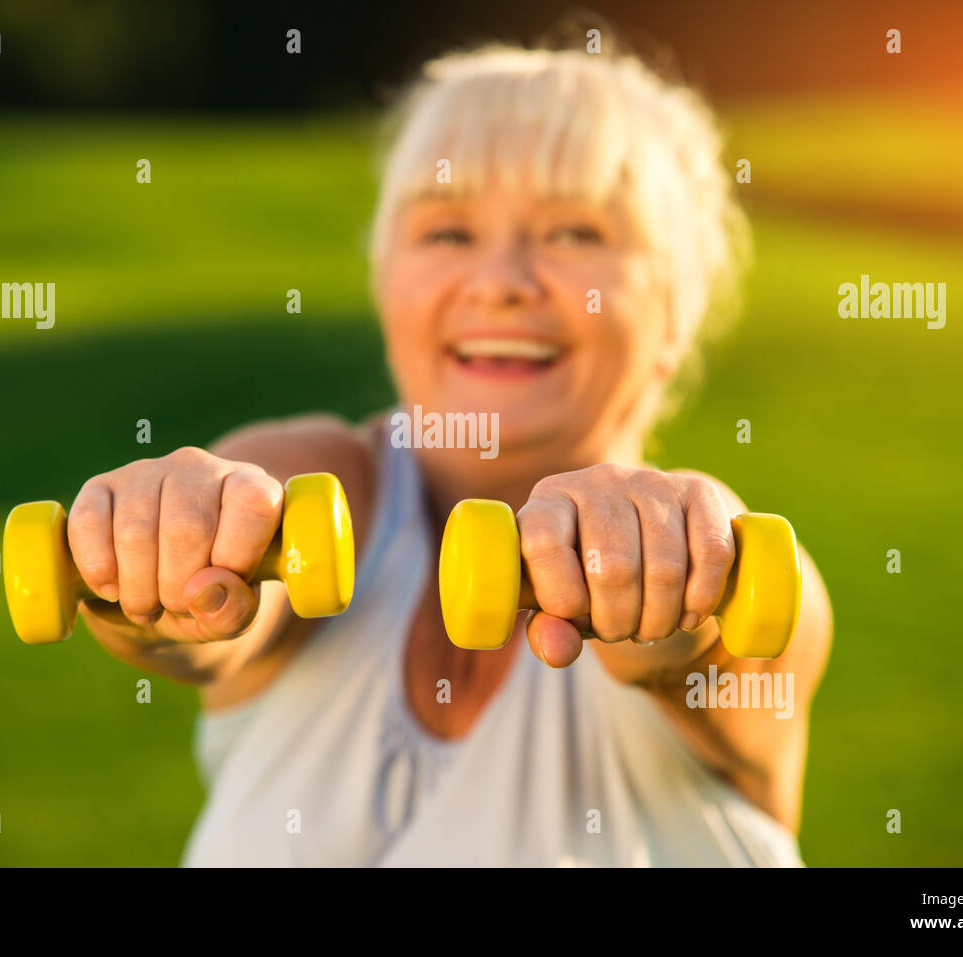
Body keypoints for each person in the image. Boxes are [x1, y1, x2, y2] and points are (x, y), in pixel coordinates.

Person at [66, 32, 833, 866]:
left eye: (575, 232)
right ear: (386, 281)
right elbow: (216, 600)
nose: (500, 281)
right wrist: (166, 558)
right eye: (448, 233)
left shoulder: (735, 566)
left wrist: (666, 592)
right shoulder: (327, 487)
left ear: (677, 309)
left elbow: (723, 647)